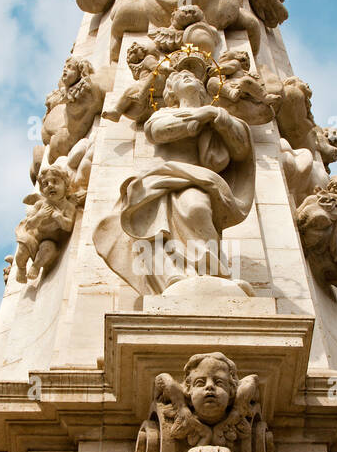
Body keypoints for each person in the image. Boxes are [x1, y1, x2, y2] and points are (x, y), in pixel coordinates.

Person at [93, 61, 255, 294]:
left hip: (199, 179)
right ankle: (177, 276)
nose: (187, 77)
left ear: (202, 88)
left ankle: (211, 274)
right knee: (158, 227)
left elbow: (240, 150)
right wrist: (201, 116)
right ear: (171, 92)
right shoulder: (163, 113)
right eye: (179, 77)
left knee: (197, 208)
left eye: (193, 77)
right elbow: (159, 132)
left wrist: (218, 117)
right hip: (162, 179)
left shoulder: (219, 116)